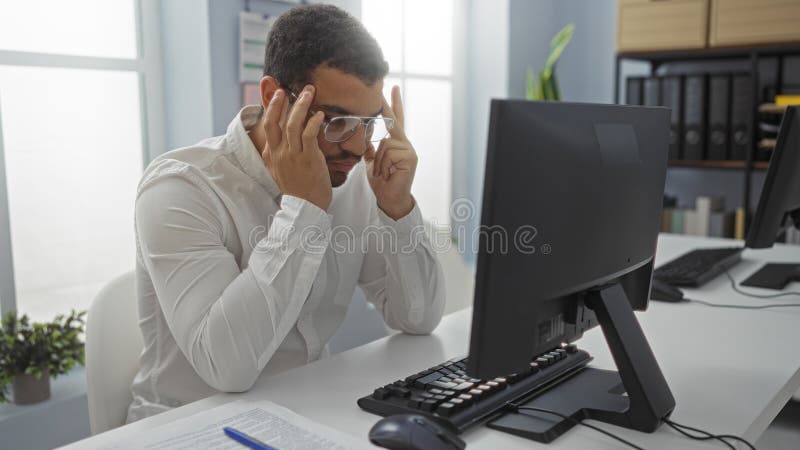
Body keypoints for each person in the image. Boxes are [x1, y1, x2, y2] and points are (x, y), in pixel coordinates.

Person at [126, 4, 445, 422]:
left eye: (368, 122)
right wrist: (304, 209)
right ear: (272, 97)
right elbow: (228, 368)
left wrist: (397, 207)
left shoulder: (350, 175)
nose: (356, 146)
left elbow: (417, 319)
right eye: (336, 121)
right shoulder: (180, 189)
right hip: (189, 427)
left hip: (306, 414)